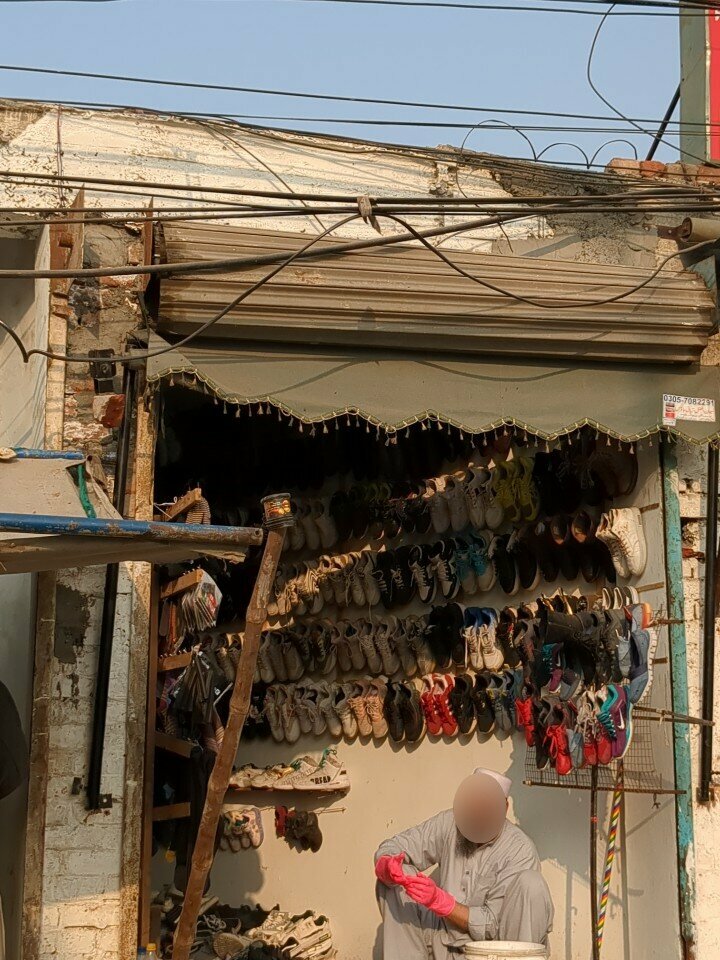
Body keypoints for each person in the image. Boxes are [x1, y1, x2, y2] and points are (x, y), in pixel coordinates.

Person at [374, 768, 553, 959]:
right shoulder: (450, 822)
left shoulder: (520, 850)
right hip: (441, 940)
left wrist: (442, 902)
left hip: (490, 950)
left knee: (531, 883)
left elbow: (491, 926)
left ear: (504, 808)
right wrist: (389, 865)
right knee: (394, 879)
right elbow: (394, 846)